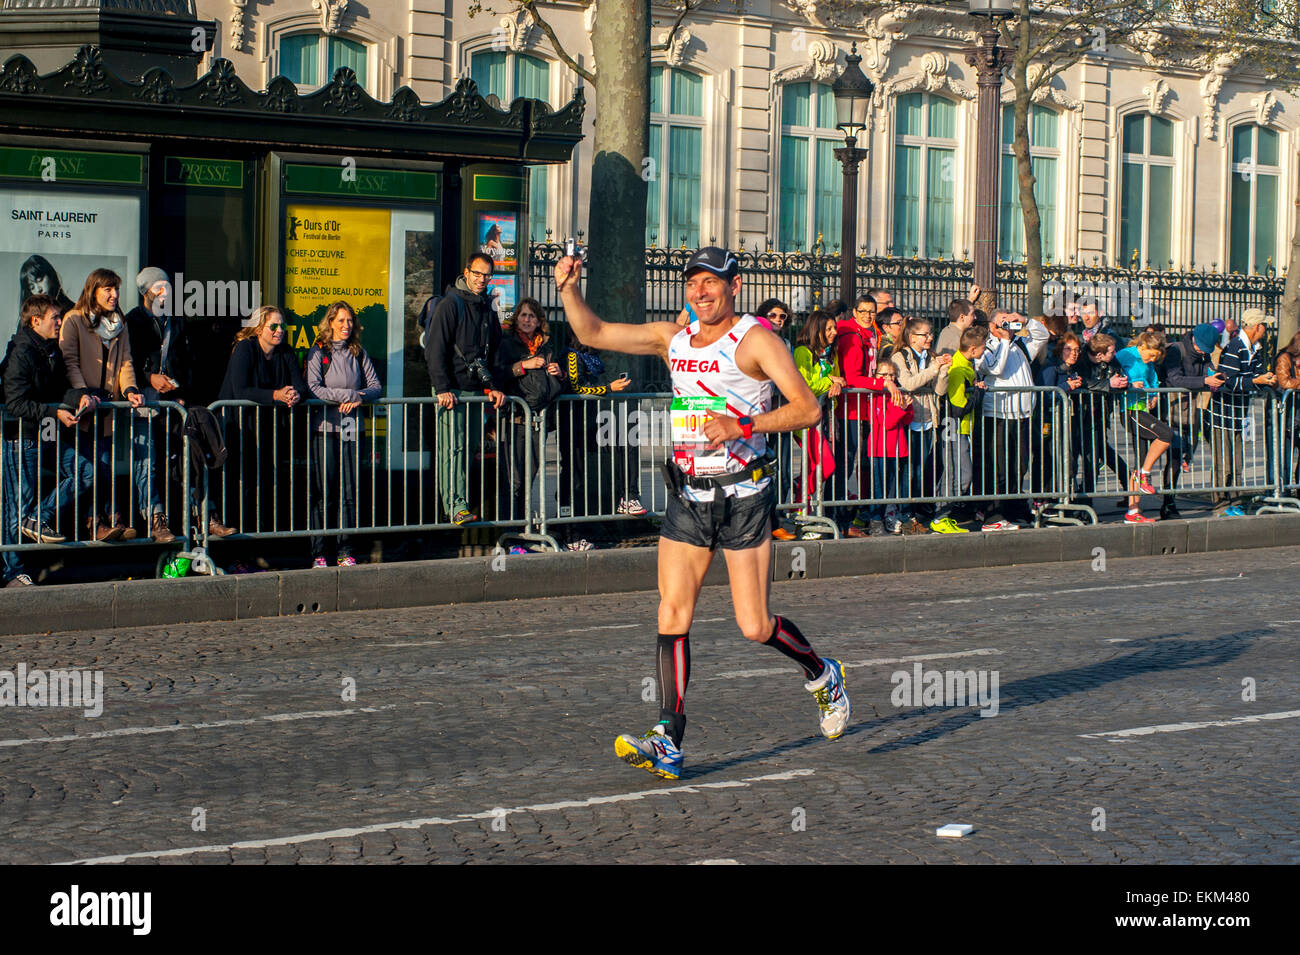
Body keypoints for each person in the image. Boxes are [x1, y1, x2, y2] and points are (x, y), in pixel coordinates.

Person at [554, 245, 850, 781]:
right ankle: (668, 737)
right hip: (690, 495)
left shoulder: (757, 340)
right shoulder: (675, 339)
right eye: (692, 283)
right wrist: (569, 288)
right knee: (671, 613)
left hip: (744, 497)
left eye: (710, 283)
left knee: (754, 625)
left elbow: (809, 408)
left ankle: (822, 673)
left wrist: (744, 426)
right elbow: (593, 333)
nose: (700, 292)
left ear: (733, 286)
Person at [2, 295, 98, 584]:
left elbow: (59, 389)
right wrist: (54, 412)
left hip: (47, 435)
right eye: (54, 317)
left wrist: (80, 396)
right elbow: (16, 404)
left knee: (85, 471)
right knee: (16, 510)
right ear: (36, 321)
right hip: (22, 440)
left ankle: (40, 516)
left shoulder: (50, 350)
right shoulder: (21, 352)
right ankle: (13, 572)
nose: (60, 322)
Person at [59, 268, 146, 541]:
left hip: (107, 409)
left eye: (116, 289)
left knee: (105, 466)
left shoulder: (119, 322)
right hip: (83, 408)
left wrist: (130, 389)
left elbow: (126, 362)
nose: (114, 294)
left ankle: (110, 520)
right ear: (93, 290)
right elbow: (69, 362)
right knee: (89, 469)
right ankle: (94, 521)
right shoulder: (74, 320)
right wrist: (82, 393)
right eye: (108, 289)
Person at [425, 252, 506, 526]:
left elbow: (493, 350)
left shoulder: (486, 306)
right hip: (453, 392)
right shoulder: (451, 304)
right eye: (477, 273)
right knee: (453, 449)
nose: (482, 279)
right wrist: (442, 387)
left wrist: (492, 386)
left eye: (486, 275)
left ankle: (461, 503)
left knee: (468, 448)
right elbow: (435, 349)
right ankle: (455, 505)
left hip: (474, 392)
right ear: (466, 271)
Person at [213, 304, 308, 535]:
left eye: (282, 325)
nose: (279, 330)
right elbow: (241, 389)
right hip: (238, 429)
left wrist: (295, 393)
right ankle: (235, 546)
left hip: (268, 430)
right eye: (273, 326)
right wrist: (276, 394)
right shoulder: (245, 348)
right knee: (240, 486)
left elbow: (301, 385)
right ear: (258, 329)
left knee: (266, 487)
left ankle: (260, 544)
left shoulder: (285, 351)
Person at [305, 301, 382, 568]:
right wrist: (347, 395)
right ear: (330, 323)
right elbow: (314, 388)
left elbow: (375, 386)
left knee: (349, 492)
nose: (346, 326)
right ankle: (319, 552)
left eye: (349, 321)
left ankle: (345, 550)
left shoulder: (358, 352)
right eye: (340, 321)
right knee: (323, 493)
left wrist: (359, 397)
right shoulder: (318, 352)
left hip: (352, 430)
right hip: (325, 430)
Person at [552, 325, 641, 550]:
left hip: (591, 422)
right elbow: (578, 387)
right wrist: (608, 387)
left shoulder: (591, 358)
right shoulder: (571, 356)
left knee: (625, 439)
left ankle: (629, 497)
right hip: (572, 423)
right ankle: (569, 533)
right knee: (573, 477)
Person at [124, 266, 187, 543]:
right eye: (159, 287)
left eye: (168, 285)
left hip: (170, 404)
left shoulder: (177, 319)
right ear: (146, 291)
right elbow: (123, 365)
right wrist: (149, 378)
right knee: (146, 462)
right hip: (142, 402)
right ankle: (155, 517)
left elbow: (187, 359)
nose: (165, 292)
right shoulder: (133, 321)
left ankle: (191, 516)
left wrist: (180, 388)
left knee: (176, 460)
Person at [975, 310, 1049, 530]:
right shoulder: (987, 346)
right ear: (992, 324)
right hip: (997, 414)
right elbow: (994, 368)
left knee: (1020, 464)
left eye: (1010, 321)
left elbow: (1043, 335)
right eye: (1003, 321)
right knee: (998, 466)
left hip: (1023, 414)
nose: (1008, 325)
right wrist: (1004, 340)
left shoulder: (1021, 344)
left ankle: (1012, 508)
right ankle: (992, 514)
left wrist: (1024, 320)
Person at [834, 293, 904, 524]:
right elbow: (852, 377)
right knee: (848, 461)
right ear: (854, 312)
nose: (868, 315)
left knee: (864, 461)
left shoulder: (869, 332)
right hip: (851, 409)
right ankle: (841, 513)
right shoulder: (852, 336)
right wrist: (881, 382)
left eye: (871, 311)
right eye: (863, 311)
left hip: (864, 407)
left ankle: (860, 510)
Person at [496, 297, 562, 523]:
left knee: (529, 478)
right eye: (523, 315)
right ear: (517, 318)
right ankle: (510, 530)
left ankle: (525, 527)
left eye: (531, 316)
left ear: (538, 321)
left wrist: (557, 371)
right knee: (512, 479)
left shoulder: (546, 346)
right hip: (514, 420)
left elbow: (556, 386)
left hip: (538, 422)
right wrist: (523, 365)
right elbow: (498, 374)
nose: (527, 320)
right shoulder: (507, 343)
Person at [1210, 308, 1276, 515]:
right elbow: (1226, 381)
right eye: (1265, 325)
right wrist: (1256, 380)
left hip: (1239, 413)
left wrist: (1266, 379)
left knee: (1237, 461)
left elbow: (1255, 376)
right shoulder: (1235, 347)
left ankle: (1235, 502)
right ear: (1258, 326)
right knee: (1224, 462)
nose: (1266, 329)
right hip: (1223, 414)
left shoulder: (1253, 347)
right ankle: (1221, 505)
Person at [890, 316, 950, 533]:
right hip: (909, 420)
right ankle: (905, 513)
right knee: (907, 470)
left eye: (930, 333)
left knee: (920, 470)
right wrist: (934, 368)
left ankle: (914, 513)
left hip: (928, 421)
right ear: (911, 337)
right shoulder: (900, 357)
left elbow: (940, 390)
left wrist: (943, 370)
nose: (929, 337)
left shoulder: (930, 357)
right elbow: (908, 383)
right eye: (924, 334)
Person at [1161, 323, 1224, 518]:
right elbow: (1175, 379)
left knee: (1182, 457)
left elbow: (1209, 370)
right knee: (1174, 458)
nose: (1201, 351)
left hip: (1191, 410)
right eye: (1200, 346)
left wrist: (1217, 376)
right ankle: (1168, 503)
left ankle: (1170, 501)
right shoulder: (1176, 350)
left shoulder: (1203, 354)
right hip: (1172, 410)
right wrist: (1205, 381)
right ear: (1194, 338)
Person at [932, 324, 988, 533]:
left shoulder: (966, 364)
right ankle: (940, 516)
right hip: (953, 427)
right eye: (983, 348)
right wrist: (979, 393)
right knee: (959, 475)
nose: (984, 352)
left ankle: (942, 514)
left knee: (957, 473)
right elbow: (958, 407)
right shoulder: (958, 367)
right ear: (973, 349)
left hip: (960, 428)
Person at [1115, 331, 1175, 524]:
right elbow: (1114, 375)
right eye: (1150, 355)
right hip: (1131, 410)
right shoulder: (1126, 354)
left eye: (1155, 358)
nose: (1151, 360)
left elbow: (1153, 381)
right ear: (1142, 346)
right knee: (1166, 434)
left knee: (1139, 459)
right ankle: (1144, 475)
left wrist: (1153, 395)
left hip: (1144, 410)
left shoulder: (1149, 363)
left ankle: (1133, 513)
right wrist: (1130, 384)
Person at [792, 310, 843, 515]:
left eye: (834, 328)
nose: (834, 332)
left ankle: (801, 506)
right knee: (825, 465)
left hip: (824, 417)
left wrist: (835, 385)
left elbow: (838, 381)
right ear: (817, 329)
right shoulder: (802, 352)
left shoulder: (831, 353)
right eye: (829, 328)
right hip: (806, 419)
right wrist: (829, 381)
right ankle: (800, 496)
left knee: (813, 466)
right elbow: (804, 385)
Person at [1077, 333, 1131, 509]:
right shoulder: (1082, 360)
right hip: (1081, 415)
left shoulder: (1111, 361)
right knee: (1091, 457)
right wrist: (1108, 384)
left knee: (1101, 454)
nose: (1115, 354)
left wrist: (1124, 382)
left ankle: (1128, 488)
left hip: (1099, 415)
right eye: (1112, 351)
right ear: (1099, 355)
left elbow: (1119, 376)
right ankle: (1084, 501)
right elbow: (1082, 382)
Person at [863, 358, 914, 535]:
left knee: (892, 486)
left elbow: (907, 420)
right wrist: (900, 407)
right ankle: (875, 519)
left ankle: (890, 515)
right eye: (884, 375)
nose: (889, 378)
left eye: (892, 375)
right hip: (879, 449)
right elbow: (887, 423)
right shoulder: (874, 397)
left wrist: (907, 407)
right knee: (879, 487)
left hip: (898, 447)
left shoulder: (896, 393)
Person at [1273, 330, 1300, 492]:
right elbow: (1285, 382)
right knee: (1285, 457)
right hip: (1288, 413)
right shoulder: (1284, 358)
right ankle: (1282, 492)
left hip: (1297, 412)